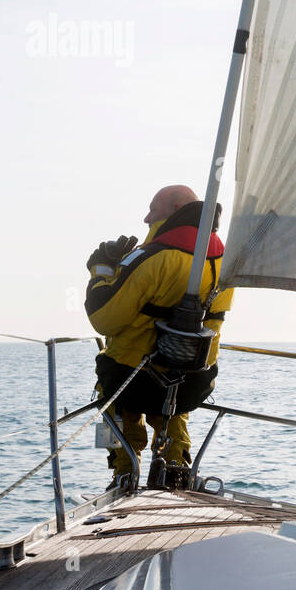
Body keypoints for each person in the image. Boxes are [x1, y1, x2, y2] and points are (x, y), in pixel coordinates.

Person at [84, 185, 234, 486]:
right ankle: (176, 467)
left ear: (176, 209)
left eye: (153, 209)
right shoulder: (225, 261)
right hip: (193, 384)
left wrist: (101, 270)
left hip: (132, 379)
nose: (146, 217)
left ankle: (123, 471)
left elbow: (103, 319)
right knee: (176, 389)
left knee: (109, 392)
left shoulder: (150, 258)